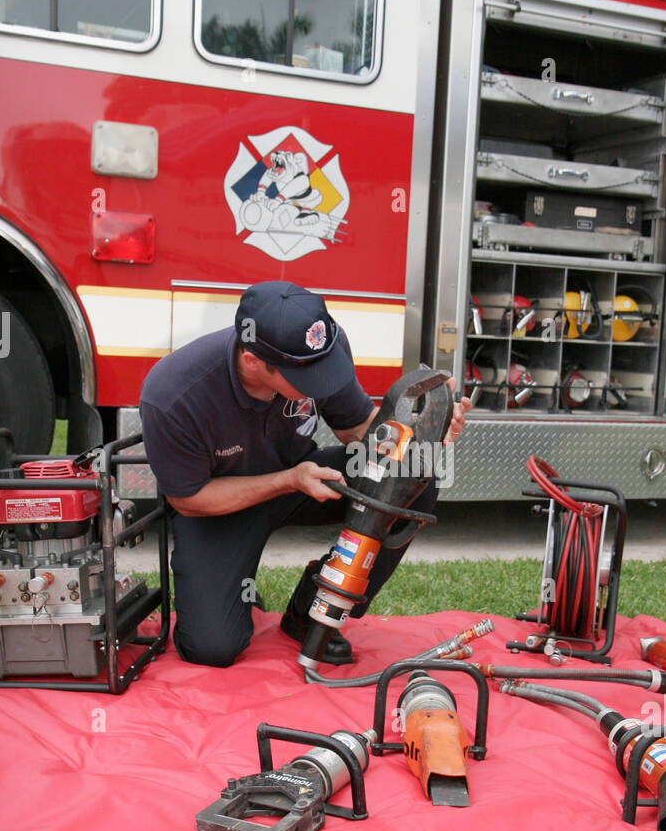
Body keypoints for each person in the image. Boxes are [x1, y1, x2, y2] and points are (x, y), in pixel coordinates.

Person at [139, 280, 469, 667]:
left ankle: (313, 607)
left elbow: (356, 430)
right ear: (252, 361)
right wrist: (288, 479)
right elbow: (188, 500)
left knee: (415, 478)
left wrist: (424, 434)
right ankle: (233, 593)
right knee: (213, 647)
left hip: (302, 479)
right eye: (308, 377)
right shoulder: (173, 394)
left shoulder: (319, 348)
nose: (321, 381)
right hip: (217, 507)